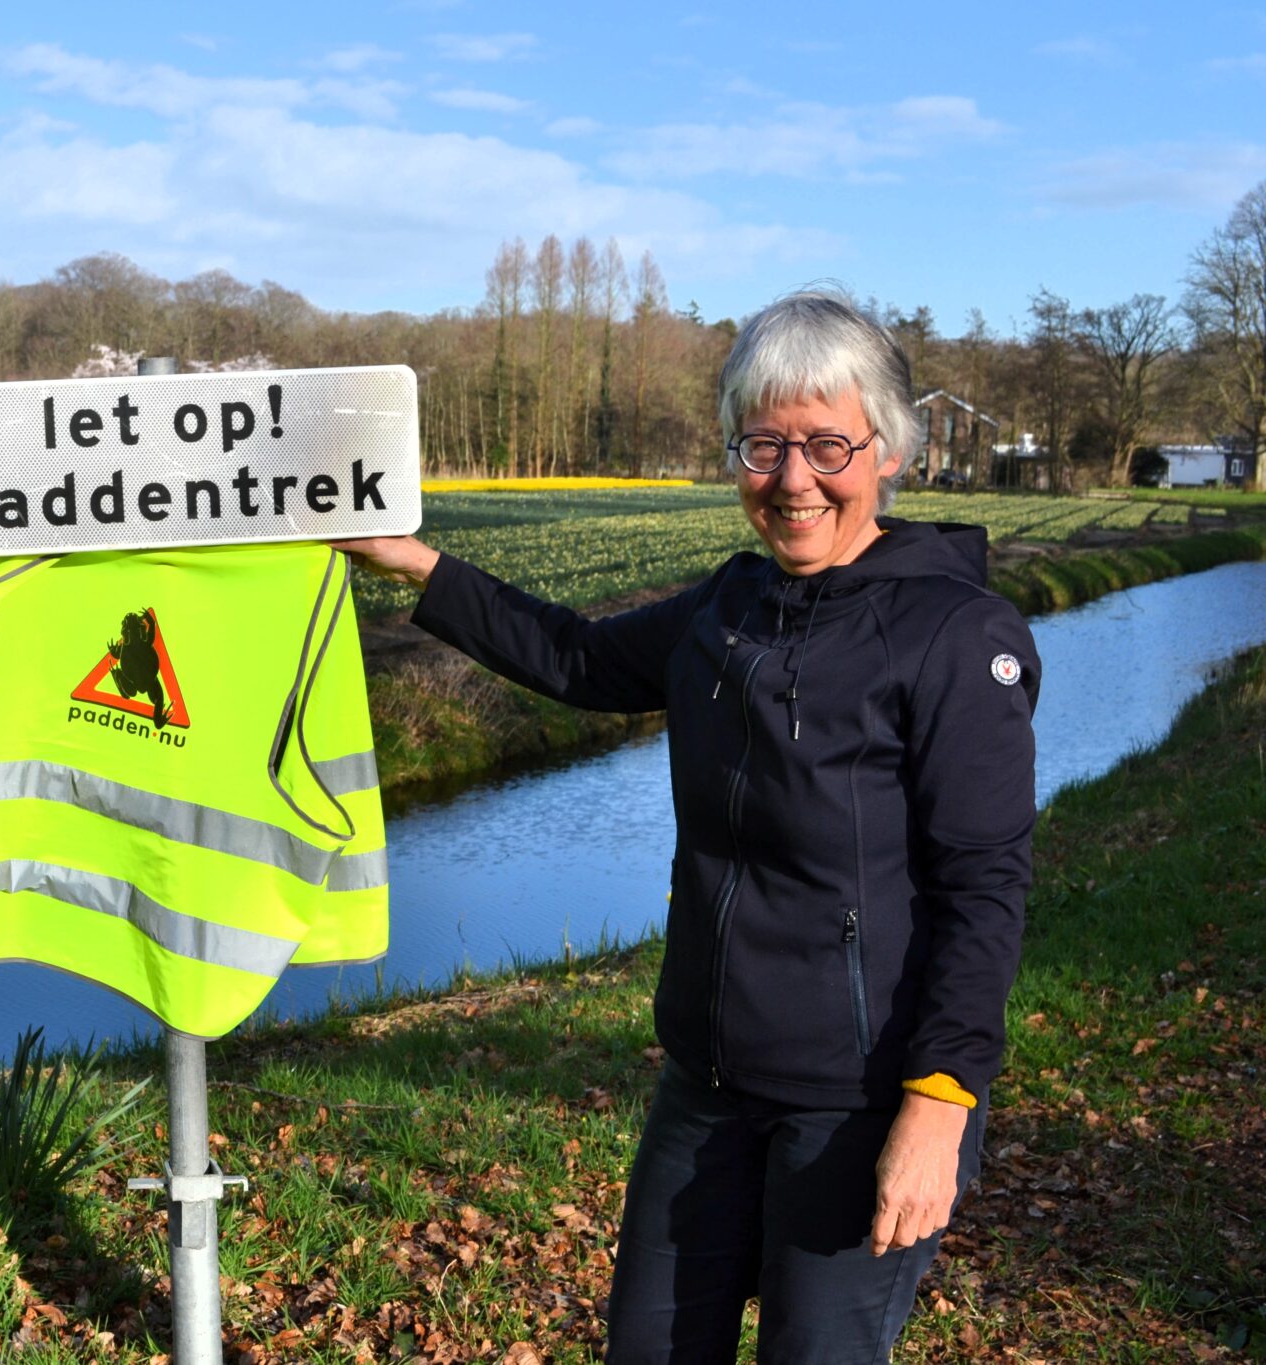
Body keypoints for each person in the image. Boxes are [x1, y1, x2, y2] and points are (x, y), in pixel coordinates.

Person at [336, 289, 1039, 1363]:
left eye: (825, 445)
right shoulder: (728, 607)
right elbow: (576, 658)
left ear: (889, 450)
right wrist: (417, 564)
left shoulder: (953, 634)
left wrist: (938, 1106)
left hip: (856, 1099)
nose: (792, 479)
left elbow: (982, 888)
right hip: (704, 1083)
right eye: (762, 445)